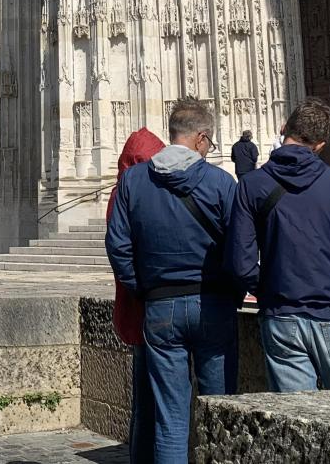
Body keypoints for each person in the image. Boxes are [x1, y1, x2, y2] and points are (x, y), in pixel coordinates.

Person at [105, 97, 240, 464]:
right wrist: (234, 292)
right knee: (220, 412)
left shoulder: (133, 180)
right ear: (201, 138)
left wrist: (144, 288)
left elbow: (117, 245)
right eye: (210, 142)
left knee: (170, 419)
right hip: (213, 304)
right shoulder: (221, 181)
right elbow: (240, 247)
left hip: (160, 307)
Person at [226, 97, 330, 392]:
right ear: (321, 145)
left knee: (297, 415)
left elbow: (240, 263)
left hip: (281, 315)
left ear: (284, 128)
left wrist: (271, 290)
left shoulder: (251, 184)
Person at [107, 127, 165, 464]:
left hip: (138, 303)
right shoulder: (134, 193)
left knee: (146, 395)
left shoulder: (121, 192)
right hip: (147, 305)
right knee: (149, 396)